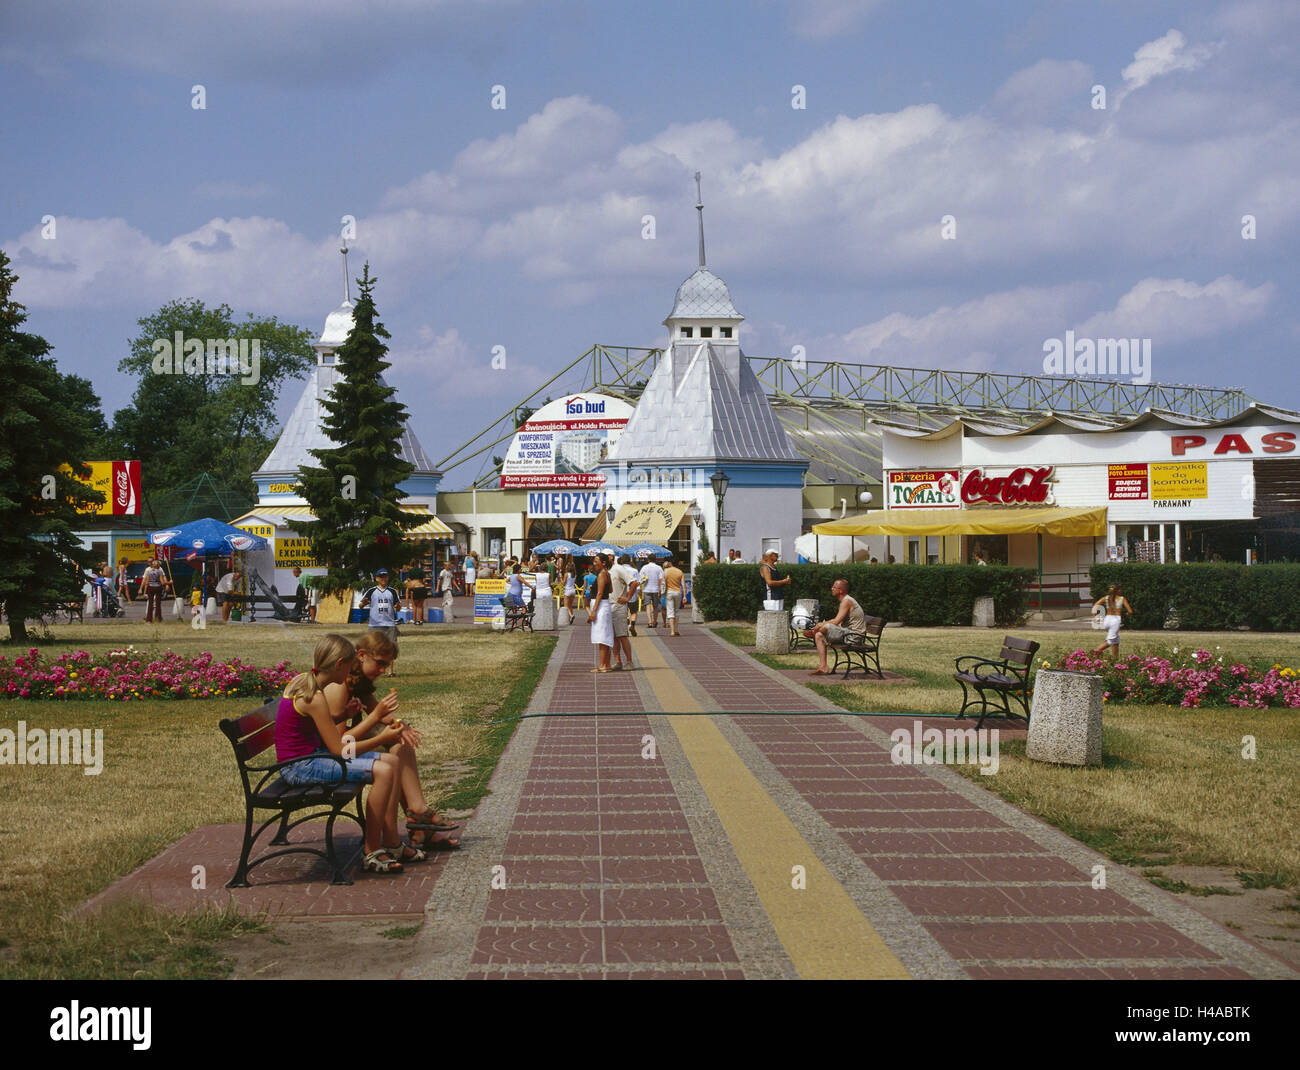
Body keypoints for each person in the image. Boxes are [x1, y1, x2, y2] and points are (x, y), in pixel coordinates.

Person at [274, 634, 410, 874]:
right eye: (349, 666)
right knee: (384, 770)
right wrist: (382, 738)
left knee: (391, 761)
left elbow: (309, 726)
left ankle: (392, 842)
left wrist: (341, 715)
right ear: (339, 665)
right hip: (300, 767)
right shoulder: (315, 697)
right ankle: (372, 850)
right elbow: (340, 750)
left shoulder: (302, 682)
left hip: (308, 759)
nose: (351, 672)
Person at [324, 629, 460, 851]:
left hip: (341, 749)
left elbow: (378, 712)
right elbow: (341, 745)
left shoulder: (359, 679)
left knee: (400, 741)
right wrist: (379, 719)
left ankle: (419, 819)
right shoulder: (340, 687)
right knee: (394, 749)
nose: (382, 670)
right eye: (379, 663)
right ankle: (417, 819)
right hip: (331, 757)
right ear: (361, 655)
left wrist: (400, 724)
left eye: (386, 665)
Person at [805, 578, 868, 676]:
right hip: (848, 633)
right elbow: (839, 622)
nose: (831, 588)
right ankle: (823, 668)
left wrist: (820, 625)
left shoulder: (846, 601)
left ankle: (812, 632)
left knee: (825, 628)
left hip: (854, 637)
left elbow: (836, 621)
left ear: (841, 590)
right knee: (819, 635)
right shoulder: (845, 601)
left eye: (834, 587)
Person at [360, 569, 402, 649]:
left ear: (388, 578)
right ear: (377, 579)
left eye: (385, 577)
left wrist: (398, 607)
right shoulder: (371, 591)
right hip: (375, 625)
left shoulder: (392, 591)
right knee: (372, 648)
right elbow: (360, 606)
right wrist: (364, 603)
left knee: (391, 649)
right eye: (381, 577)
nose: (383, 579)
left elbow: (398, 607)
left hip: (389, 625)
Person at [610, 555, 640, 664]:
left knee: (622, 635)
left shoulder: (618, 568)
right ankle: (618, 661)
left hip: (619, 606)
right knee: (614, 637)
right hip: (610, 606)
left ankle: (629, 661)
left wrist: (627, 597)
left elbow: (634, 583)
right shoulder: (606, 571)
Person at [588, 554, 614, 672]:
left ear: (603, 563)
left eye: (596, 561)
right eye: (594, 561)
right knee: (605, 636)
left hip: (601, 607)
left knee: (602, 637)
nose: (594, 563)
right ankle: (606, 664)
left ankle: (603, 665)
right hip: (604, 605)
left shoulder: (601, 574)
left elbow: (600, 593)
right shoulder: (606, 573)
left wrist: (594, 611)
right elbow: (610, 590)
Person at [1092, 584, 1133, 660]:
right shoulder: (1122, 598)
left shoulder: (1106, 598)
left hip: (1107, 620)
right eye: (1120, 589)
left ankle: (1115, 659)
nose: (1121, 591)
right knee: (1110, 641)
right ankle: (1094, 653)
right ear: (1117, 591)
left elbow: (1096, 604)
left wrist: (1095, 616)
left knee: (1116, 640)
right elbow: (1130, 611)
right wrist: (1127, 615)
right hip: (1115, 621)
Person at [639, 554, 664, 628]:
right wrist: (660, 590)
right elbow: (661, 579)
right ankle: (655, 621)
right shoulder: (658, 568)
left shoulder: (644, 567)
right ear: (655, 559)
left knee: (648, 606)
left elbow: (640, 578)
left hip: (647, 589)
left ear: (648, 560)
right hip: (656, 589)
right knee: (655, 606)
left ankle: (649, 622)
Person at [663, 556, 685, 637]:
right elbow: (683, 585)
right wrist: (685, 596)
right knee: (676, 611)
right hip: (678, 592)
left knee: (670, 611)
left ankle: (672, 631)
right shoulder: (680, 572)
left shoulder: (666, 571)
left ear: (670, 563)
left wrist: (660, 593)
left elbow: (662, 583)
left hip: (669, 592)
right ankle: (676, 630)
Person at [142, 558, 168, 623]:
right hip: (157, 587)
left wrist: (144, 592)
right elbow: (162, 582)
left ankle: (149, 619)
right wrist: (169, 582)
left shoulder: (149, 571)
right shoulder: (159, 571)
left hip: (150, 587)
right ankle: (158, 618)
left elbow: (147, 582)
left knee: (150, 604)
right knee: (158, 604)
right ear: (158, 565)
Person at [561, 554, 577, 624]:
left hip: (567, 590)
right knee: (570, 605)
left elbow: (563, 583)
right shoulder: (574, 574)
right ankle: (571, 618)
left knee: (565, 605)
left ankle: (570, 615)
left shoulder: (566, 574)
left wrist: (561, 577)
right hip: (573, 590)